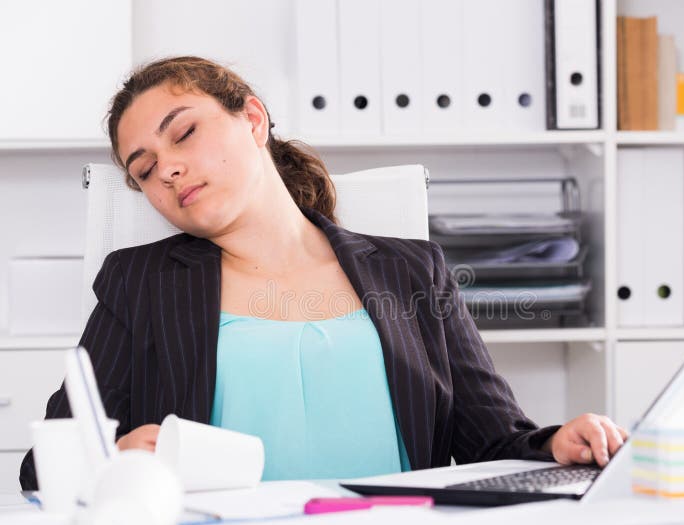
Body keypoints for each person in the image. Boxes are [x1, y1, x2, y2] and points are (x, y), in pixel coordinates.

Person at [19, 56, 627, 490]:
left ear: (253, 119)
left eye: (185, 133)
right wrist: (112, 459)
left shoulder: (413, 270)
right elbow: (41, 466)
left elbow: (490, 441)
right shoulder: (140, 281)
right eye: (145, 169)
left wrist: (553, 445)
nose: (170, 170)